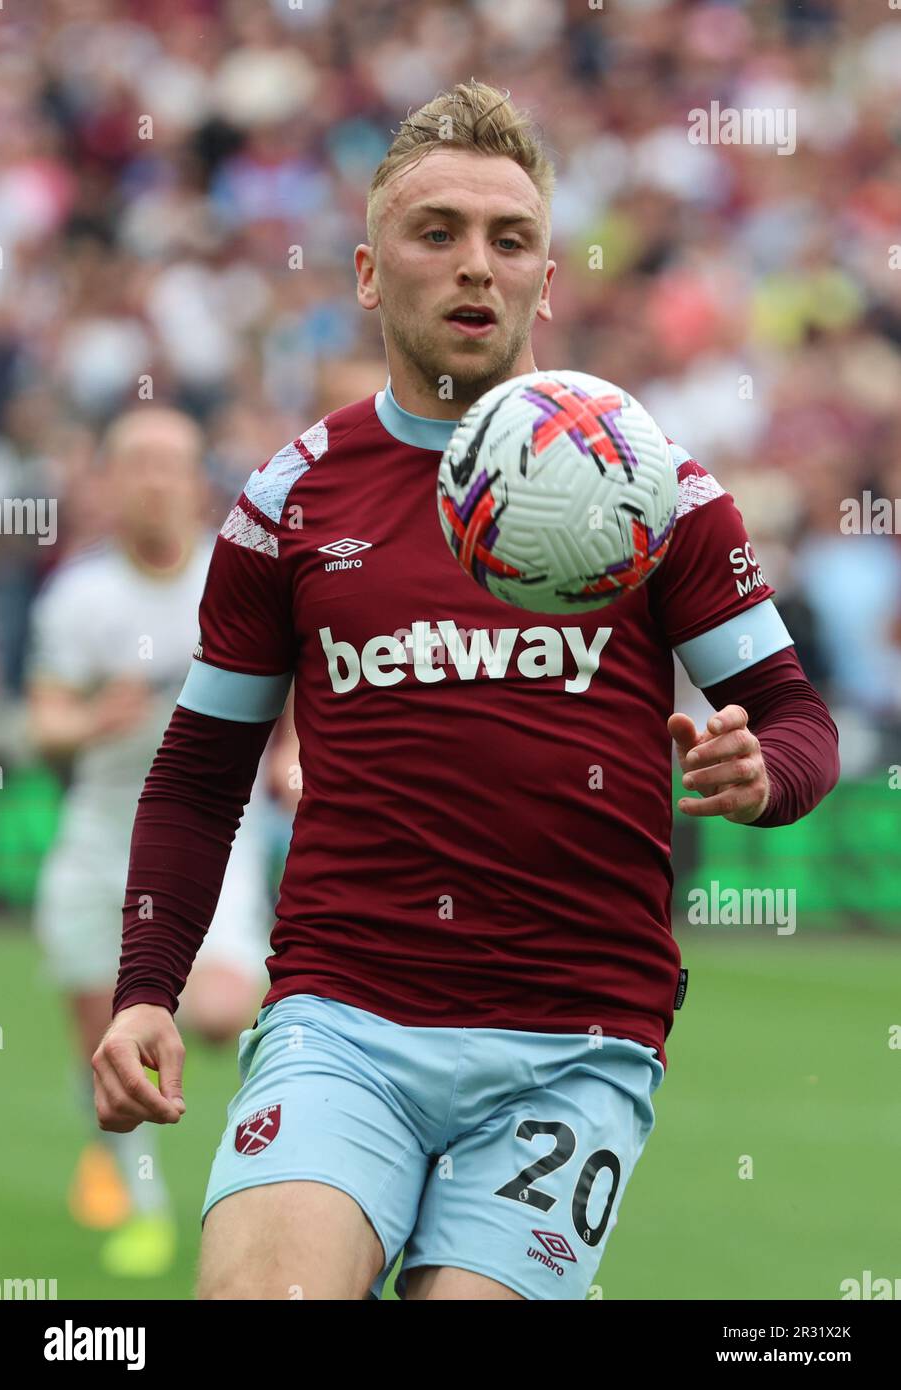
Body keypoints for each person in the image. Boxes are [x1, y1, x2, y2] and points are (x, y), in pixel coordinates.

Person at [95, 82, 839, 1301]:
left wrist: (763, 775)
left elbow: (799, 720)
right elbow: (197, 776)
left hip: (577, 1039)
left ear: (548, 280)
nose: (473, 266)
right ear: (368, 271)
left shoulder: (657, 486)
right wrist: (145, 988)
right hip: (345, 1019)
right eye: (435, 232)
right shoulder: (290, 501)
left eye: (508, 239)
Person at [27, 407, 279, 1277]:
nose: (153, 480)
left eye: (170, 464)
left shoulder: (234, 576)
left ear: (196, 478)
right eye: (134, 463)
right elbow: (43, 720)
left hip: (215, 830)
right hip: (101, 841)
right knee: (108, 1053)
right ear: (107, 479)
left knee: (213, 1013)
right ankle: (142, 1202)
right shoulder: (79, 595)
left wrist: (290, 762)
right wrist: (91, 720)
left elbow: (295, 699)